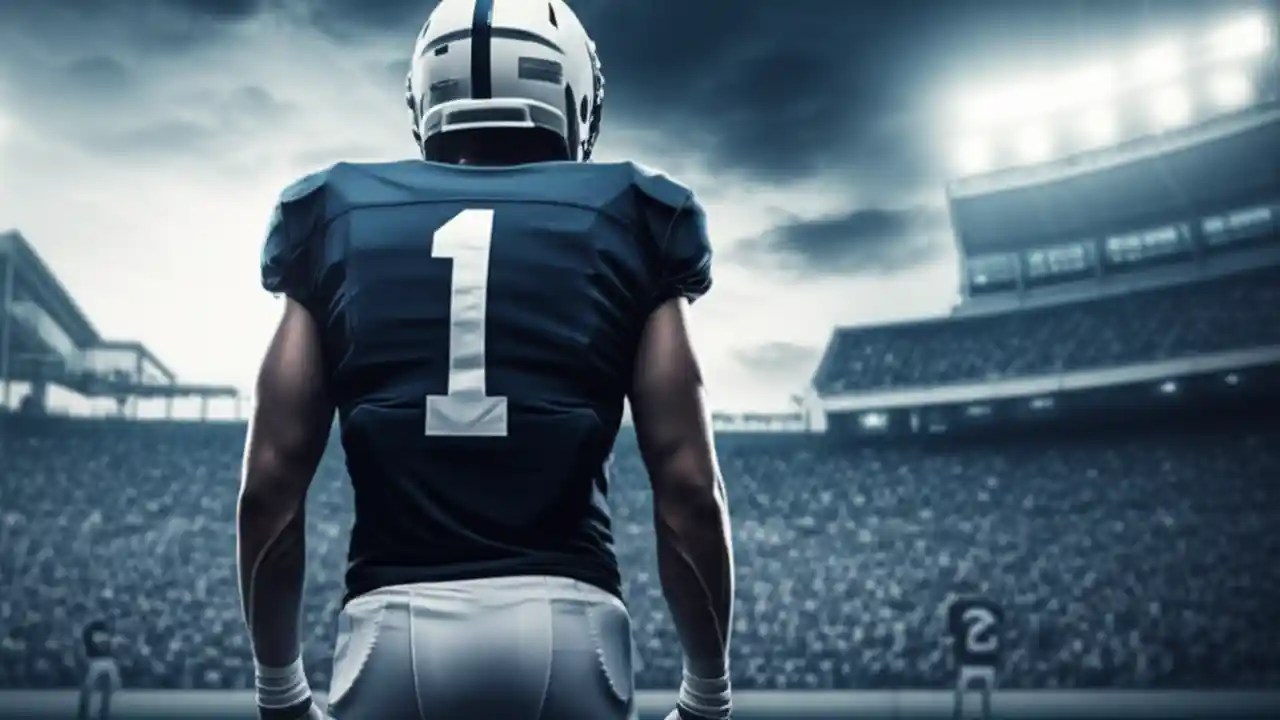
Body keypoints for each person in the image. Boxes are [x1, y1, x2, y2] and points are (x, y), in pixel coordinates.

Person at [234, 1, 735, 719]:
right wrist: (708, 695)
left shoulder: (332, 212)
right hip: (566, 621)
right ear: (573, 93)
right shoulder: (633, 212)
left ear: (425, 96)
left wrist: (279, 690)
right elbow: (689, 487)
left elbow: (269, 485)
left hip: (391, 623)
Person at [77, 618, 120, 720]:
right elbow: (102, 647)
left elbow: (108, 648)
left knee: (106, 687)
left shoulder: (98, 631)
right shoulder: (94, 631)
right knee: (89, 687)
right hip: (96, 661)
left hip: (105, 661)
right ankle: (85, 711)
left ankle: (103, 711)